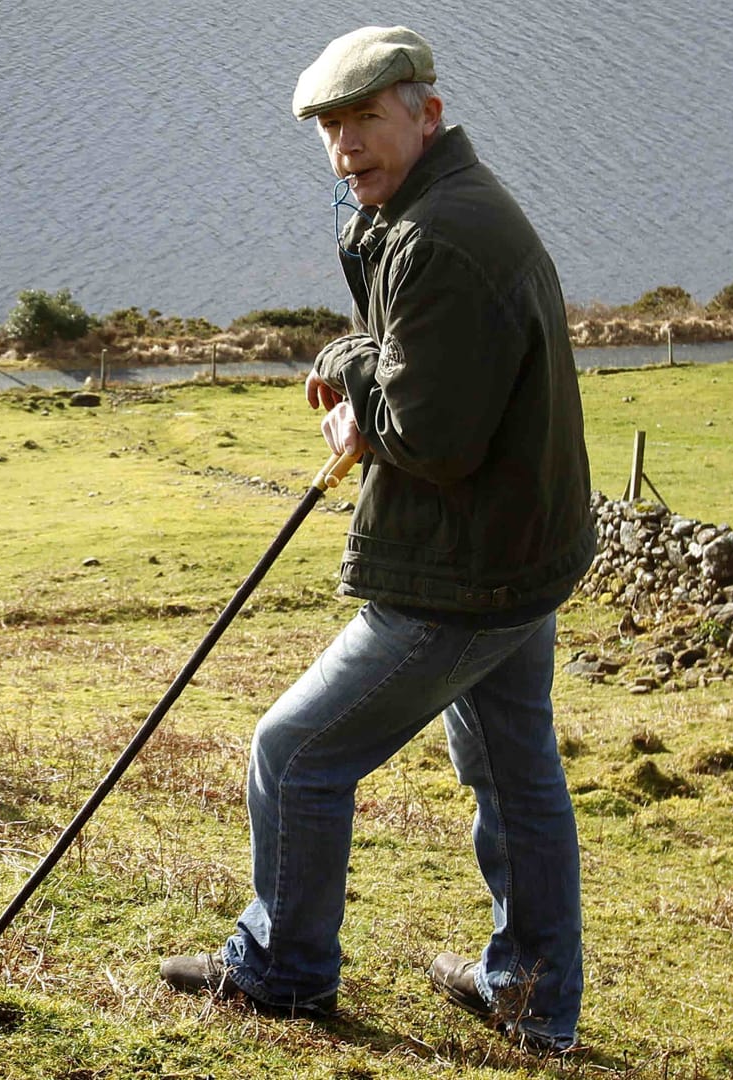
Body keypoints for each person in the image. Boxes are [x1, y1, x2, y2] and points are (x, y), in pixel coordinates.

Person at [158, 25, 595, 1053]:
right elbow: (420, 368)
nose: (347, 145)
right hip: (518, 551)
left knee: (296, 752)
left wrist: (358, 392)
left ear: (425, 113)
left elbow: (430, 441)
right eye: (330, 127)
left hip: (467, 571)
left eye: (366, 118)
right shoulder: (434, 211)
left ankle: (285, 973)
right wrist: (363, 360)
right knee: (514, 772)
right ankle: (531, 1001)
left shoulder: (439, 238)